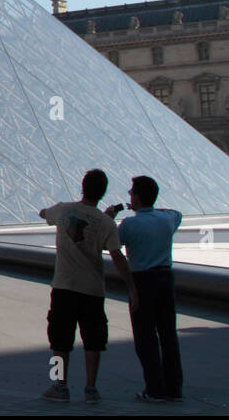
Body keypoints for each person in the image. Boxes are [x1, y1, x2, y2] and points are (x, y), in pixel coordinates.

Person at [39, 169, 138, 404]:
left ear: (82, 187)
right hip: (93, 289)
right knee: (94, 340)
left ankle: (59, 386)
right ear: (103, 192)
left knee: (59, 340)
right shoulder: (106, 223)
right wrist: (132, 288)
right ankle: (91, 388)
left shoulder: (63, 210)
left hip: (64, 286)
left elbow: (43, 213)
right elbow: (117, 256)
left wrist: (48, 213)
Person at [106, 175, 182, 402]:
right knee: (169, 335)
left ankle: (154, 389)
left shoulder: (129, 224)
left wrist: (110, 218)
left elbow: (110, 244)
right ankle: (174, 389)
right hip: (166, 279)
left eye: (131, 193)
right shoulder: (168, 219)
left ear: (137, 198)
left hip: (142, 281)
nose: (129, 196)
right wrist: (147, 206)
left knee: (145, 337)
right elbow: (176, 212)